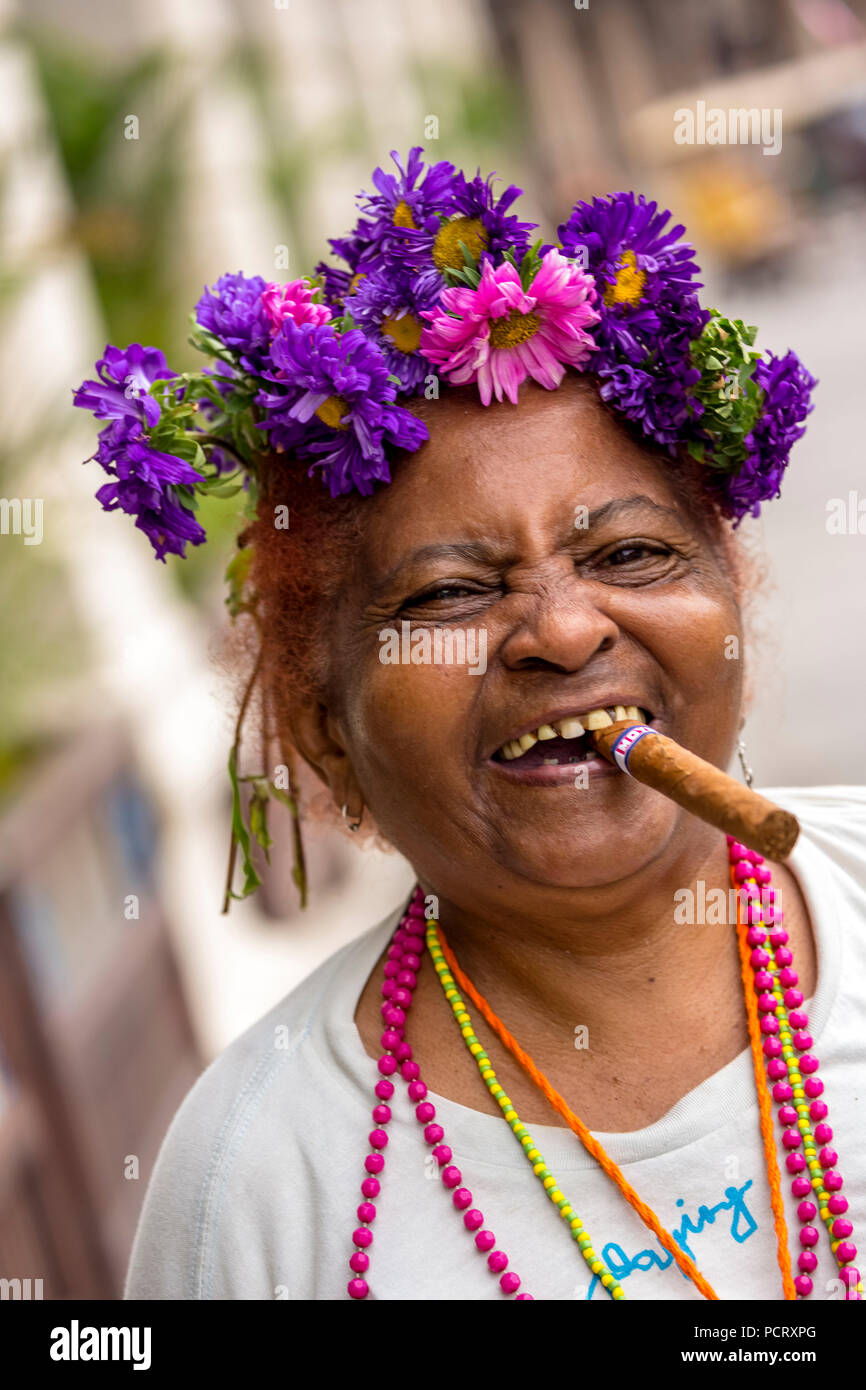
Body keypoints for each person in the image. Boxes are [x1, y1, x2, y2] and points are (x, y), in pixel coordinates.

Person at [75, 155, 860, 1300]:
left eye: (628, 555)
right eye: (447, 594)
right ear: (323, 727)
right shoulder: (255, 1182)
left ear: (729, 595)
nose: (560, 630)